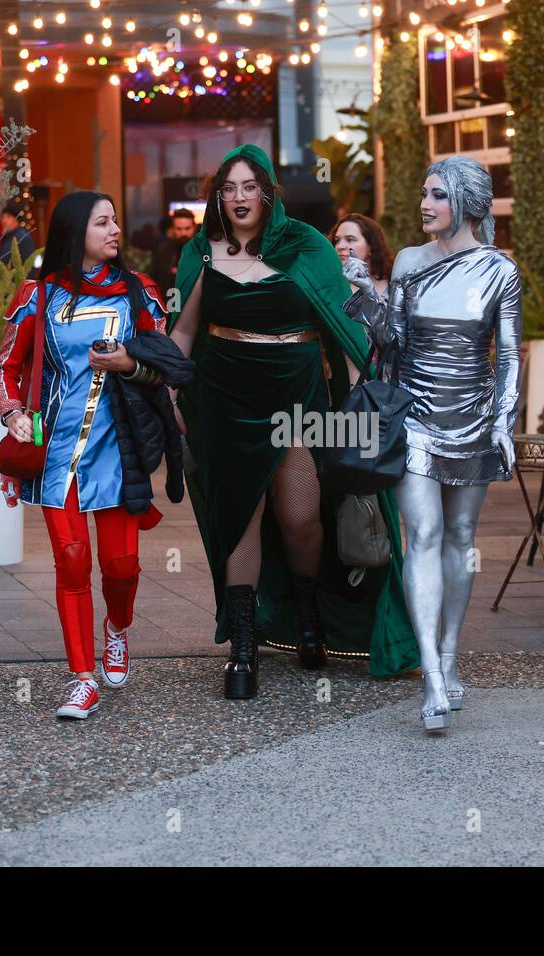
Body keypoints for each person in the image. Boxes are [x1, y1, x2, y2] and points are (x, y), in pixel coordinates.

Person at [167, 144, 417, 699]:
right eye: (227, 188)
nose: (237, 198)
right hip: (226, 400)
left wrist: (360, 400)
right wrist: (169, 391)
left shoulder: (305, 244)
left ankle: (309, 614)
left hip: (298, 398)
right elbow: (183, 332)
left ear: (268, 192)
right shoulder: (202, 252)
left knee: (301, 517)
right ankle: (242, 648)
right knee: (241, 520)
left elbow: (342, 320)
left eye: (248, 187)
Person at [342, 156, 521, 732]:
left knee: (461, 536)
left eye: (437, 195)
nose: (425, 204)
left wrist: (503, 423)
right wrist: (363, 297)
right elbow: (390, 343)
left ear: (465, 202)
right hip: (413, 416)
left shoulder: (500, 270)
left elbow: (511, 356)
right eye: (423, 193)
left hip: (472, 417)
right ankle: (432, 676)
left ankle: (448, 652)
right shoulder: (412, 263)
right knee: (422, 533)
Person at [0, 190, 176, 720]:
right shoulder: (39, 295)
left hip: (120, 451)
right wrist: (12, 415)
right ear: (76, 232)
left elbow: (164, 369)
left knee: (121, 565)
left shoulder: (140, 293)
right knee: (72, 561)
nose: (115, 230)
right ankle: (81, 677)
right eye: (103, 222)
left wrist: (128, 366)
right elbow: (5, 366)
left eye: (116, 220)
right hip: (57, 453)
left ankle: (117, 629)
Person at [330, 213, 392, 301]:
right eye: (337, 240)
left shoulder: (394, 282)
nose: (340, 246)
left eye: (350, 239)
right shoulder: (329, 286)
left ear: (371, 245)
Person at [149, 208, 198, 290]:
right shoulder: (162, 252)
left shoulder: (203, 251)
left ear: (194, 228)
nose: (183, 233)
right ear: (173, 229)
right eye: (179, 229)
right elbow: (154, 282)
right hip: (169, 300)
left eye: (187, 228)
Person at [0, 199, 37, 284]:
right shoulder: (7, 238)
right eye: (3, 217)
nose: (4, 221)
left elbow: (28, 268)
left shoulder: (23, 238)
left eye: (8, 217)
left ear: (16, 219)